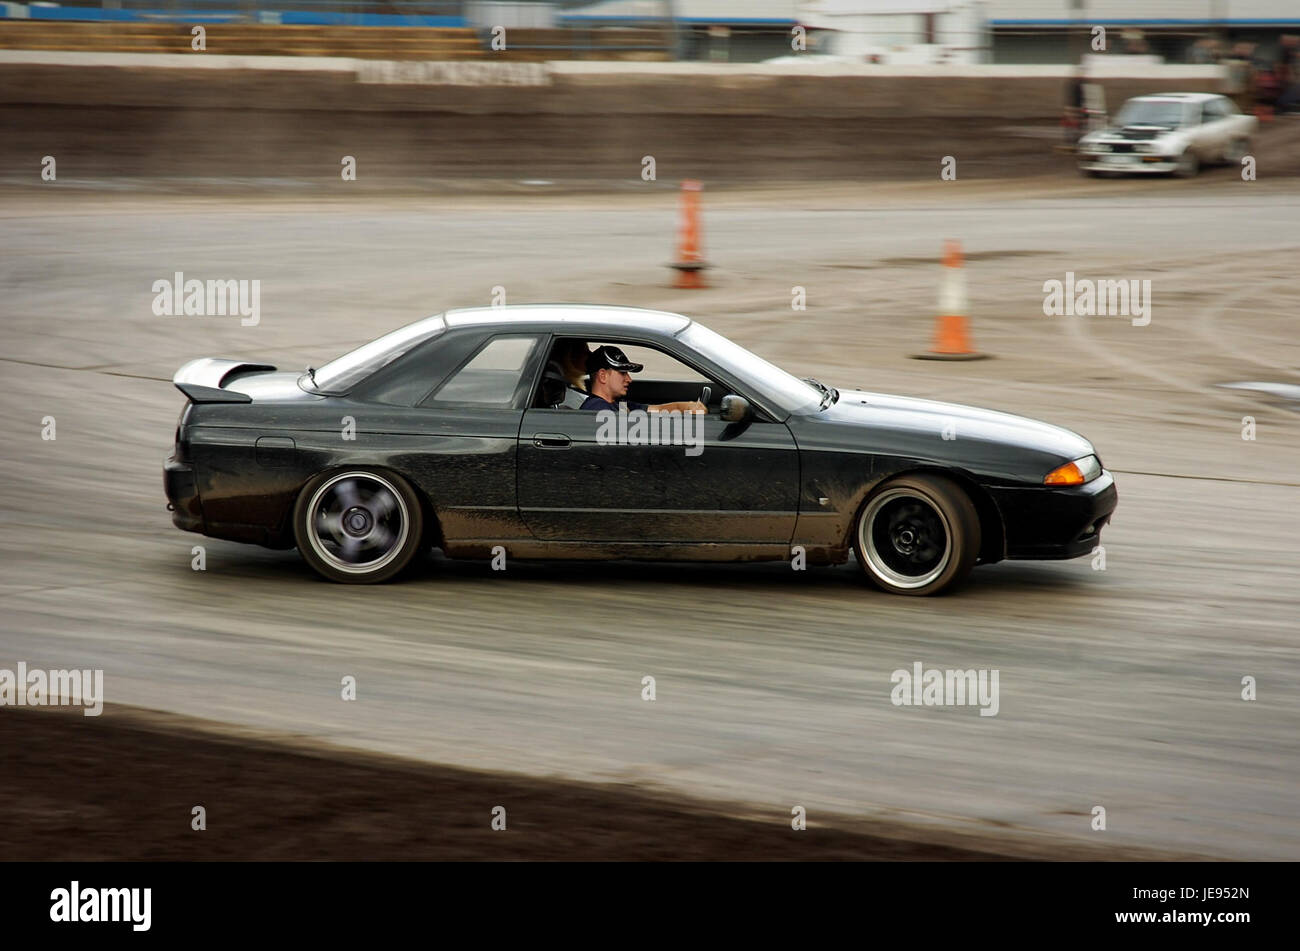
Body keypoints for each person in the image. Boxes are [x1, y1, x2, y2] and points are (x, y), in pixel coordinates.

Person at [579, 345, 706, 414]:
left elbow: (658, 410)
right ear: (603, 376)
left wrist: (690, 406)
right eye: (622, 373)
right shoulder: (597, 409)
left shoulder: (619, 405)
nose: (629, 379)